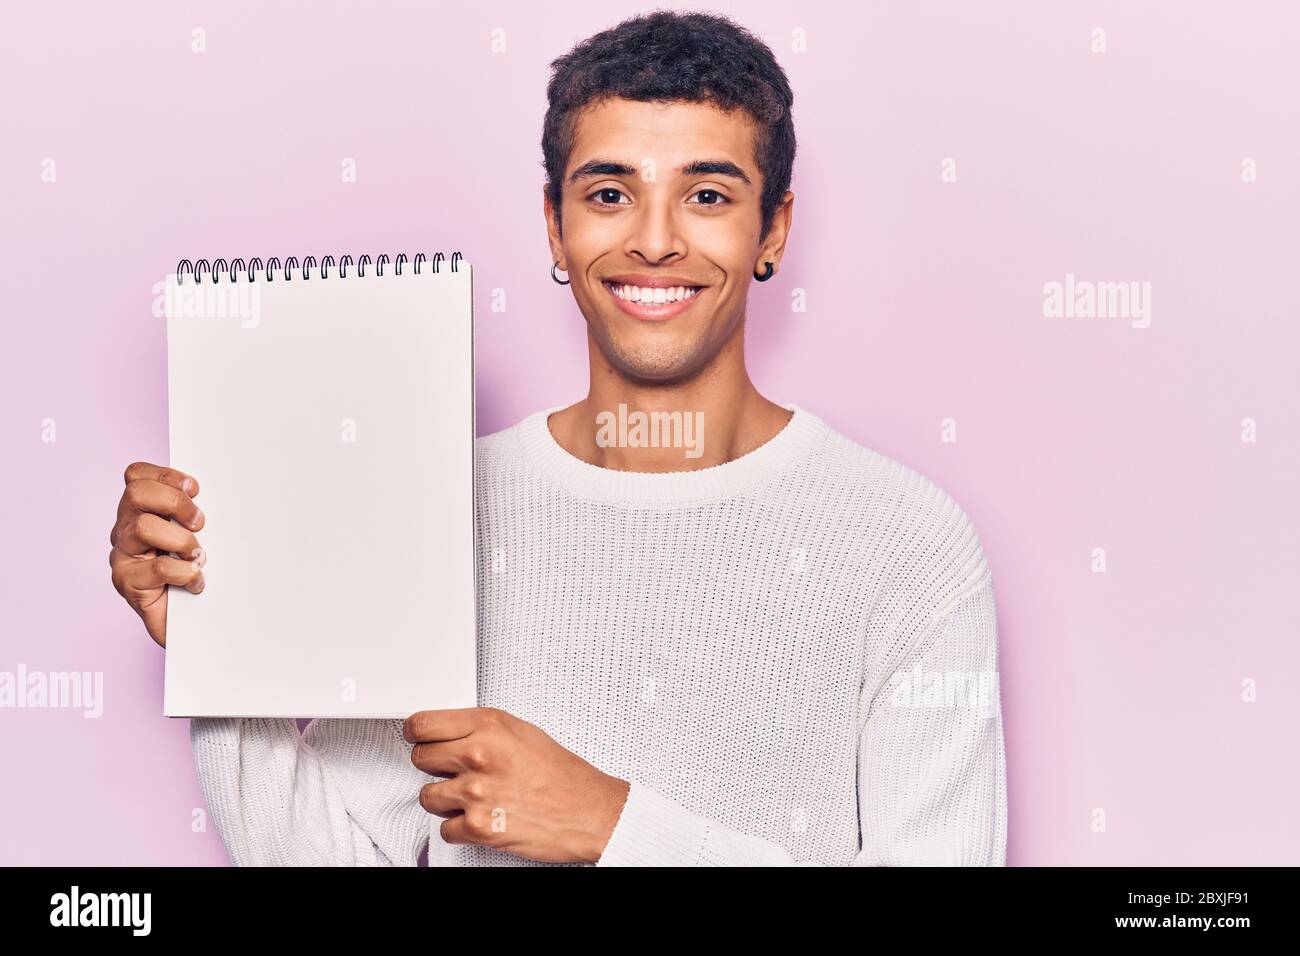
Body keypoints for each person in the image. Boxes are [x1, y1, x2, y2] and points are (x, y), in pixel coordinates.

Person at [108, 10, 1007, 866]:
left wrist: (611, 824)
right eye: (610, 194)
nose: (654, 241)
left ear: (772, 228)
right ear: (555, 224)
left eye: (706, 195)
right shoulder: (443, 505)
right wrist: (217, 652)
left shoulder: (908, 545)